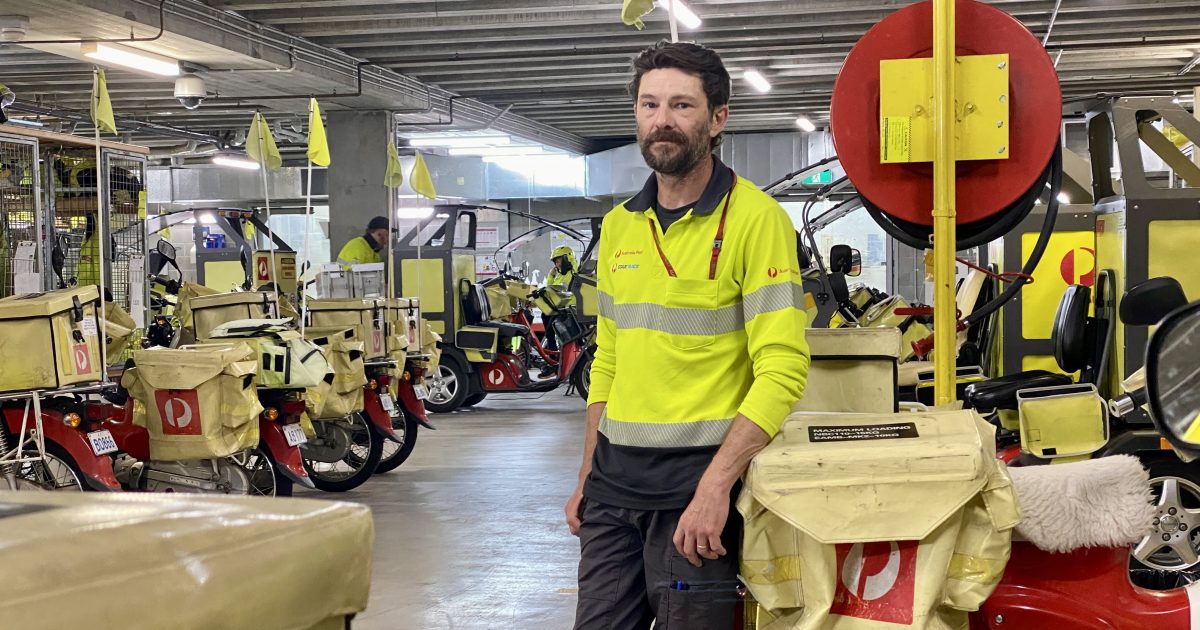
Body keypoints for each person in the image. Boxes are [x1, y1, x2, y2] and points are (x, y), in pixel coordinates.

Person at [565, 41, 810, 629]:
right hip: (613, 490)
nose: (662, 121)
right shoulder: (622, 225)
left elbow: (783, 367)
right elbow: (610, 362)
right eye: (649, 105)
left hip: (694, 499)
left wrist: (715, 488)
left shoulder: (757, 220)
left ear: (717, 118)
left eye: (681, 105)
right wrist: (584, 479)